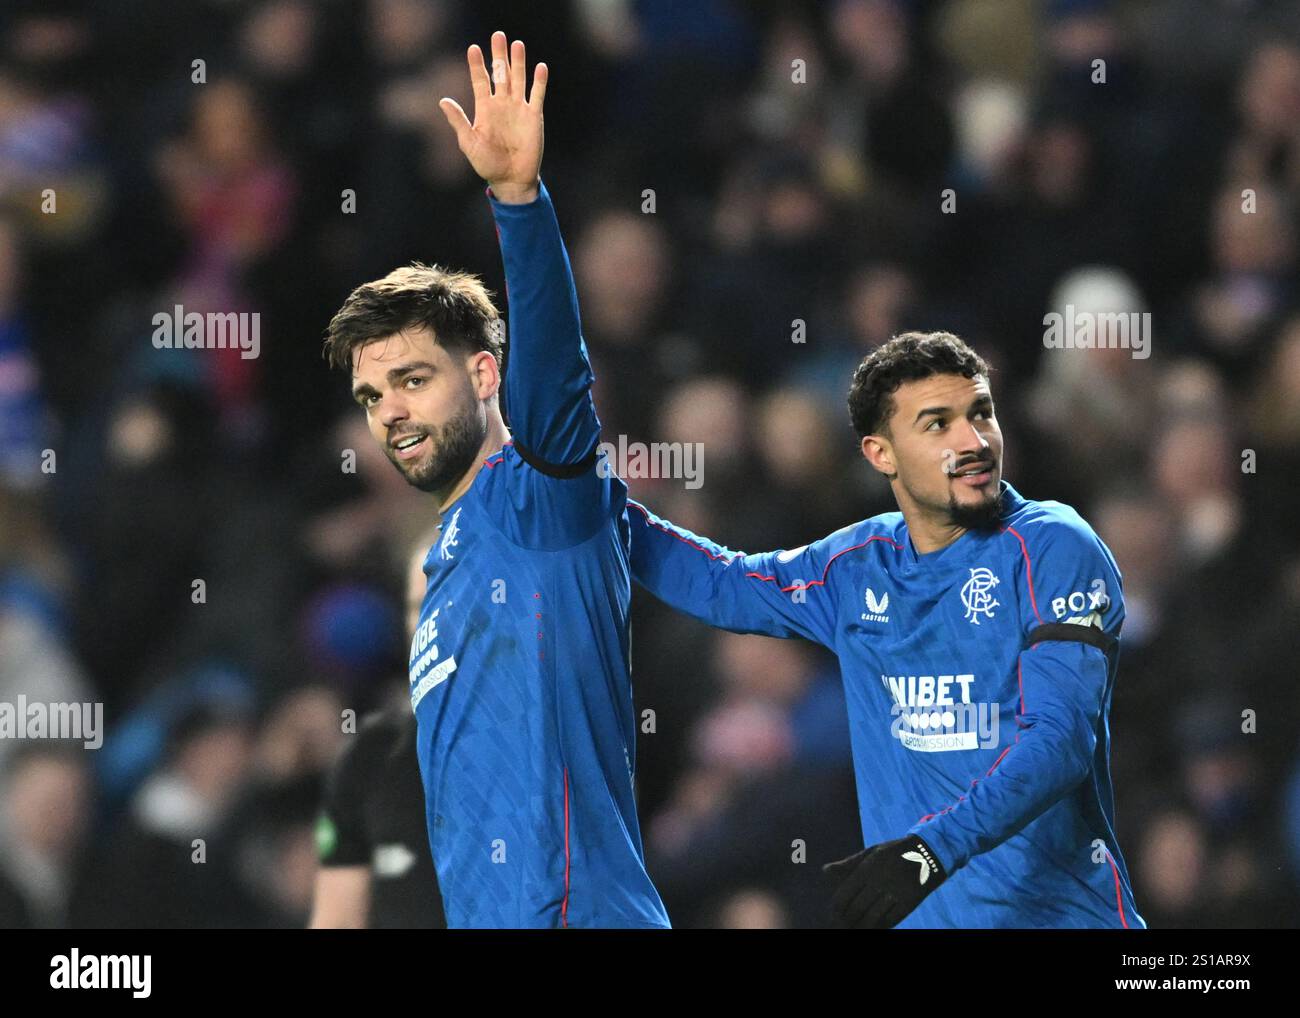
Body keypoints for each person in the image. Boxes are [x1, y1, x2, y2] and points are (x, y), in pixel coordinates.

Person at [322, 33, 668, 929]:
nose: (389, 411)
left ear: (481, 376)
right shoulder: (440, 571)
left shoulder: (540, 492)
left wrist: (517, 199)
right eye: (371, 395)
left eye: (412, 379)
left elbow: (552, 370)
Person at [628, 331, 1146, 929]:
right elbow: (721, 582)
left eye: (981, 413)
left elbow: (1061, 743)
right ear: (881, 454)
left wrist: (932, 851)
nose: (973, 441)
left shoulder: (1054, 546)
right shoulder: (856, 568)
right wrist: (594, 505)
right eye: (937, 424)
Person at [310, 535, 446, 929]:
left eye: (446, 602)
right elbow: (336, 920)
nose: (430, 625)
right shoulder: (369, 757)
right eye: (417, 607)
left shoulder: (557, 749)